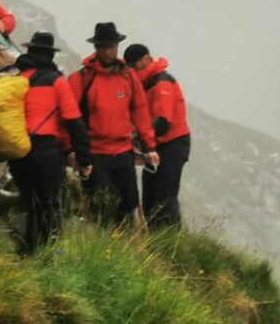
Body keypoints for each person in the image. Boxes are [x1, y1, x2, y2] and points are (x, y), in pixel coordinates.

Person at [68, 22, 157, 228]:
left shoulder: (128, 76)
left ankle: (126, 242)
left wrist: (150, 147)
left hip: (124, 152)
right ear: (96, 48)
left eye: (112, 46)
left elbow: (141, 112)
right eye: (104, 46)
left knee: (129, 204)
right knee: (101, 206)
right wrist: (71, 150)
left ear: (117, 46)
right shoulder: (82, 78)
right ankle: (103, 243)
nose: (108, 51)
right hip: (96, 154)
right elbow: (69, 116)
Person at [8, 32, 90, 251]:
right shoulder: (56, 81)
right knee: (52, 205)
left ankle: (30, 252)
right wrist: (84, 158)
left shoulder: (17, 80)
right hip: (46, 152)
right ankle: (51, 254)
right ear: (50, 55)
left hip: (18, 151)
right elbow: (74, 120)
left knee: (32, 205)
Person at [124, 44, 191, 228]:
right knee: (150, 195)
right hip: (154, 145)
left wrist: (139, 141)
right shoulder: (143, 84)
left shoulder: (162, 82)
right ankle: (156, 235)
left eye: (135, 65)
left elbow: (162, 122)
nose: (133, 70)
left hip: (172, 144)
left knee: (164, 195)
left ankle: (171, 236)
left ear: (146, 59)